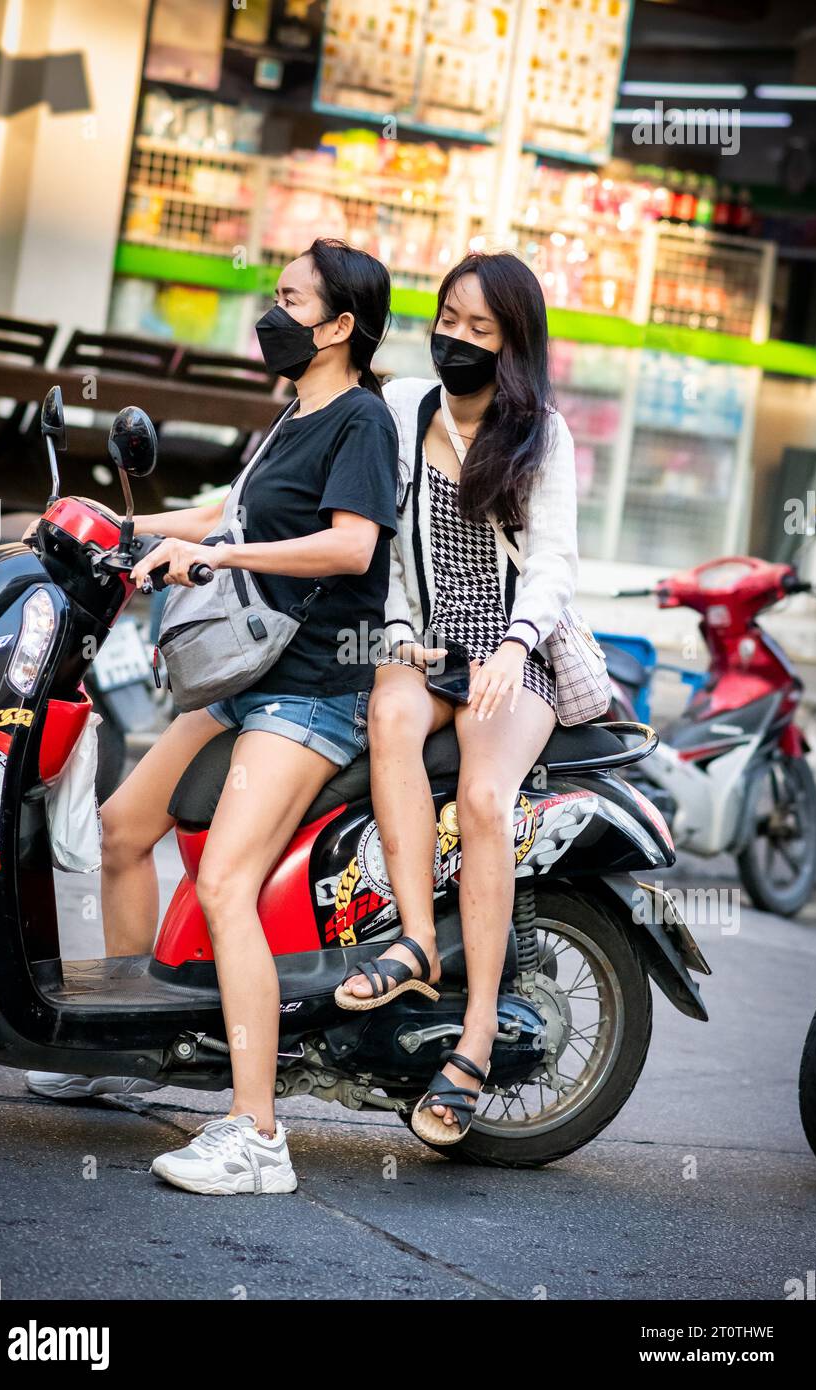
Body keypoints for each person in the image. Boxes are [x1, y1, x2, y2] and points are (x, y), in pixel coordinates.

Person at [25, 238, 399, 1195]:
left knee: (226, 883)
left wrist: (222, 562)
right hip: (243, 677)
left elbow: (350, 549)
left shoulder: (362, 421)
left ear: (340, 326)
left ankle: (256, 1132)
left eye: (289, 300)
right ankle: (120, 1053)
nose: (271, 316)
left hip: (313, 689)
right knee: (120, 829)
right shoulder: (291, 416)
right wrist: (114, 524)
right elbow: (227, 515)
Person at [335, 251, 578, 1145]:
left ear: (513, 343)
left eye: (480, 328)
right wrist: (401, 635)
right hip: (429, 641)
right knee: (388, 715)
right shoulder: (403, 408)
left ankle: (474, 1039)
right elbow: (394, 544)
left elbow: (553, 563)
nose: (457, 340)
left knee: (483, 799)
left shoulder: (542, 434)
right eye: (448, 320)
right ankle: (415, 942)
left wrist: (516, 644)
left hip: (513, 652)